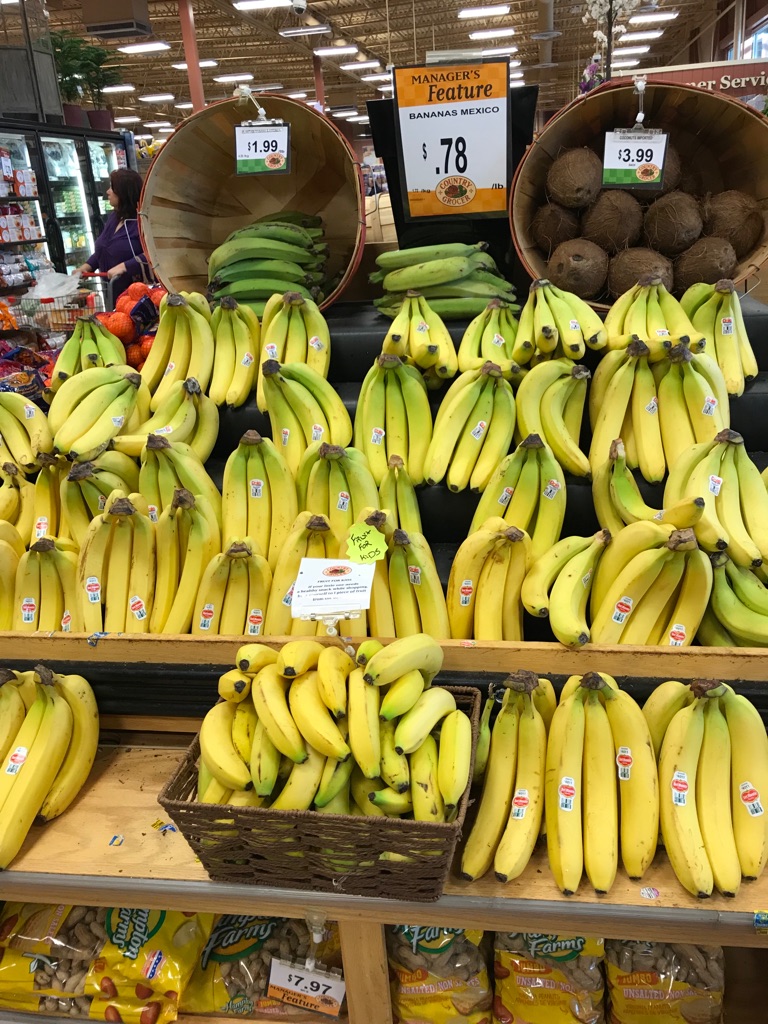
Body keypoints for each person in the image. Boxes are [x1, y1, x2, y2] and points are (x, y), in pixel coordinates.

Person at [76, 168, 152, 301]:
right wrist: (86, 266)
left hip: (137, 298)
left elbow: (153, 255)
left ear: (124, 192)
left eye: (112, 187)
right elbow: (104, 248)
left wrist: (125, 267)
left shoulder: (143, 221)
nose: (108, 192)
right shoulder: (114, 218)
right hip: (112, 293)